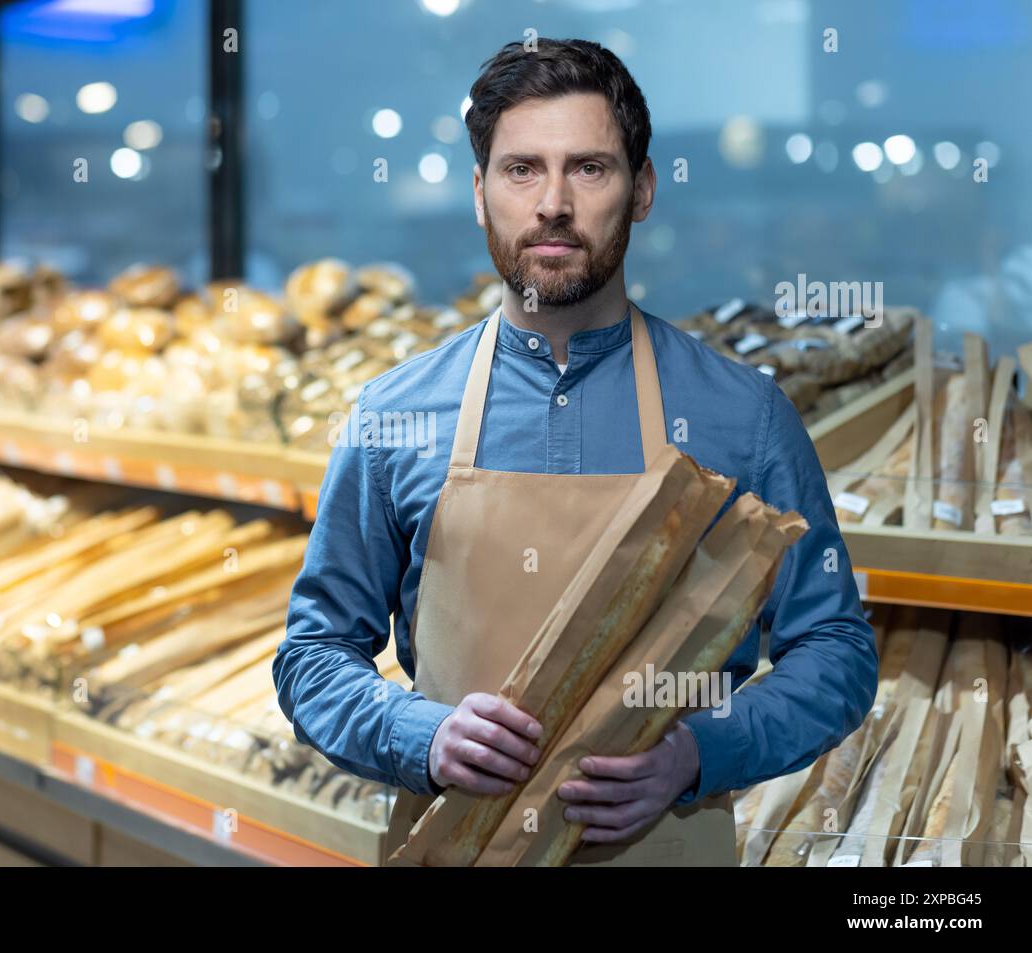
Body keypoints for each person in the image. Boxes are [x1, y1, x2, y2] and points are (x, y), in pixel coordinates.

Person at [273, 37, 877, 866]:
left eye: (589, 168)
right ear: (481, 195)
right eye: (521, 169)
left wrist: (699, 753)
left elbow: (837, 651)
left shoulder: (744, 414)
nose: (552, 202)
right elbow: (312, 655)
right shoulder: (394, 415)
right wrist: (422, 734)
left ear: (643, 191)